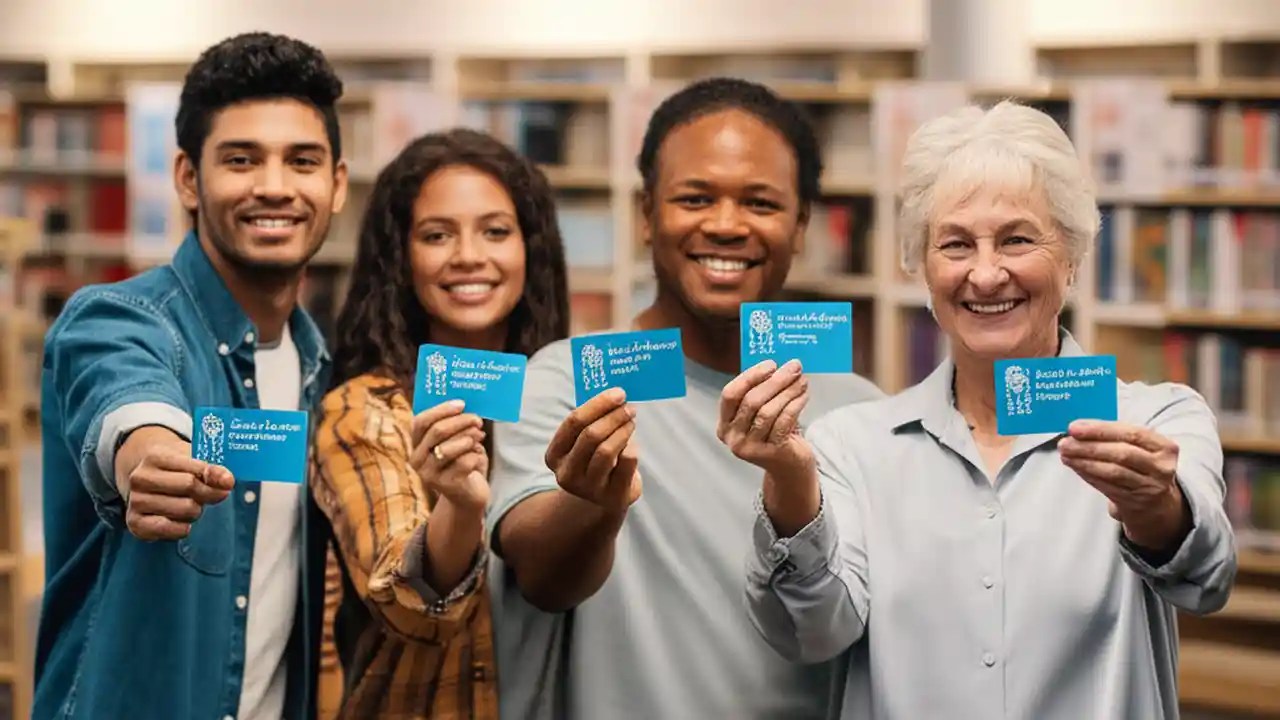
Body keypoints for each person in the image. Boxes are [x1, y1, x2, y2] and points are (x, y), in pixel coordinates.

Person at [724, 100, 1238, 720]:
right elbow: (811, 634)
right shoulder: (850, 447)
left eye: (1018, 240)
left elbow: (1206, 583)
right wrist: (787, 479)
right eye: (956, 244)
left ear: (1072, 258)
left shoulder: (1158, 422)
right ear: (922, 269)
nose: (987, 274)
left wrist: (1157, 509)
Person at [486, 77, 883, 719]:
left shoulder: (857, 407)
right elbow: (539, 576)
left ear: (801, 225)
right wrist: (592, 505)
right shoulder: (570, 379)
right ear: (646, 215)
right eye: (695, 198)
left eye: (760, 203)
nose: (726, 225)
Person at [33, 32, 349, 720]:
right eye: (241, 160)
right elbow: (128, 401)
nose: (274, 186)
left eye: (302, 161)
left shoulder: (320, 367)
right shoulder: (120, 317)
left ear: (337, 185)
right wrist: (152, 460)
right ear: (187, 179)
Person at [310, 129, 570, 719]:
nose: (469, 256)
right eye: (436, 235)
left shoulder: (562, 396)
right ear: (399, 258)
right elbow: (407, 601)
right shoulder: (364, 411)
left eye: (496, 231)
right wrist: (458, 506)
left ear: (531, 249)